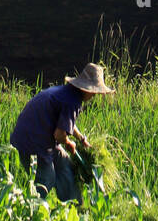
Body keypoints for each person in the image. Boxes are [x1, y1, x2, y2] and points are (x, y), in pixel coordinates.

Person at [10, 62, 115, 201]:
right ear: (86, 89)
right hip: (32, 141)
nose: (94, 95)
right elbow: (59, 135)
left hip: (40, 137)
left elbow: (65, 123)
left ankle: (73, 206)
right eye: (94, 92)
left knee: (65, 164)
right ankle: (31, 214)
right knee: (47, 179)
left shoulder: (68, 94)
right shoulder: (72, 101)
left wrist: (81, 139)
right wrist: (68, 143)